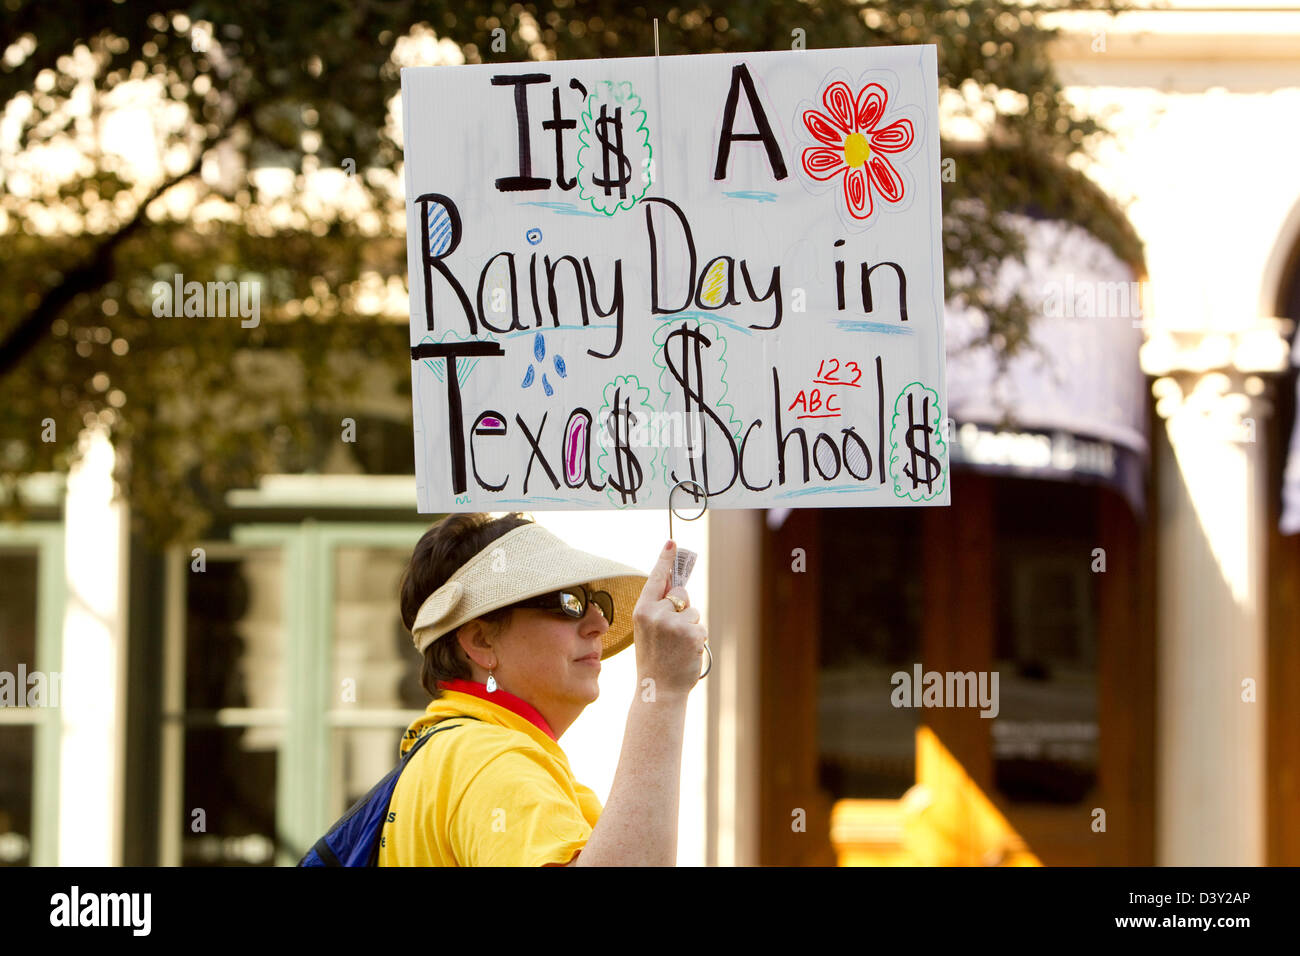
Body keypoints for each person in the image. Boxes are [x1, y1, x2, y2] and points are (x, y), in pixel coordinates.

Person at [378, 511, 707, 866]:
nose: (599, 622)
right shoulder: (490, 759)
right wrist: (661, 690)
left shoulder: (455, 751)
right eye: (570, 601)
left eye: (598, 604)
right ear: (481, 641)